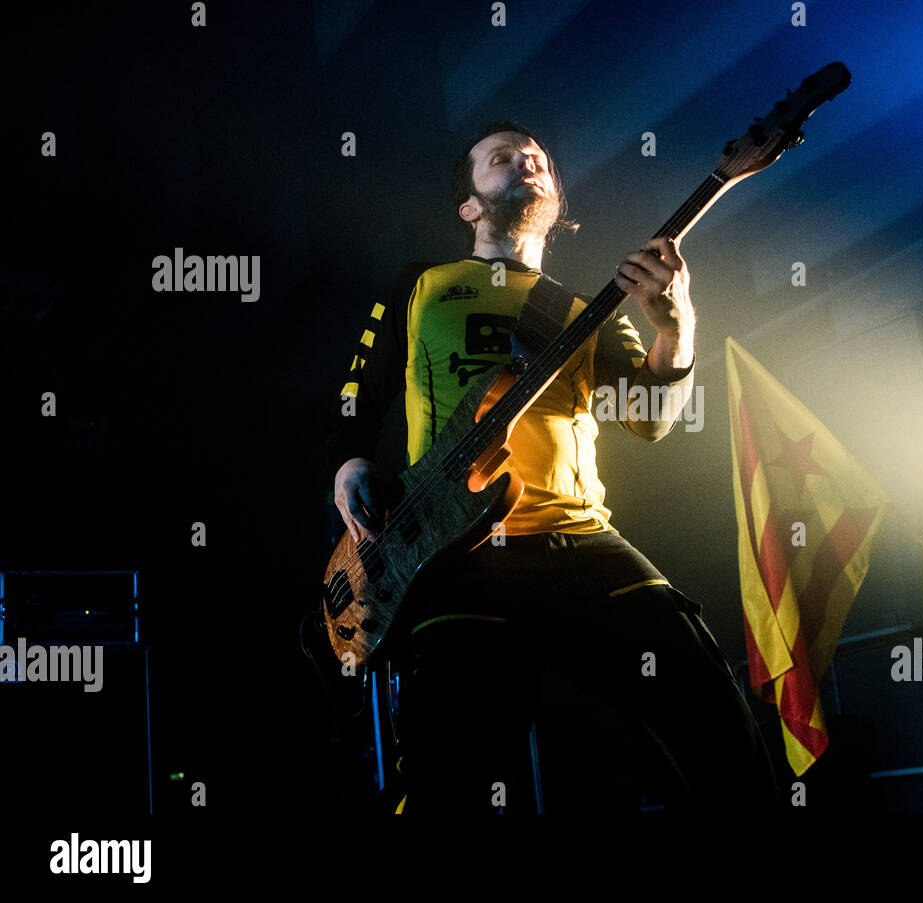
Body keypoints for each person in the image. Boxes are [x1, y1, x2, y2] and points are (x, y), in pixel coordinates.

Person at [325, 119, 777, 813]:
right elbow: (360, 387)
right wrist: (348, 464)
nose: (526, 163)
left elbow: (652, 417)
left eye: (536, 157)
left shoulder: (585, 310)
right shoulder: (421, 284)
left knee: (724, 736)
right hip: (453, 556)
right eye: (502, 158)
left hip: (583, 541)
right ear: (469, 206)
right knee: (450, 778)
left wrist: (676, 327)